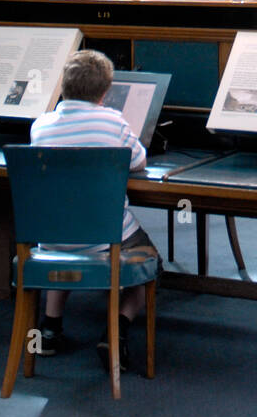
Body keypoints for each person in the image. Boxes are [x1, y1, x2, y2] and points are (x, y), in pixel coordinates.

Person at [29, 49, 159, 372]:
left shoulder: (40, 126)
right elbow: (139, 160)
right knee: (148, 264)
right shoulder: (112, 121)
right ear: (105, 92)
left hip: (51, 239)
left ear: (63, 85)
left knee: (68, 237)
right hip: (105, 241)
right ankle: (117, 331)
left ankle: (50, 328)